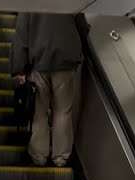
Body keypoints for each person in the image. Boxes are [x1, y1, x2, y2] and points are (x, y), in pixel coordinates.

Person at [10, 13, 83, 168]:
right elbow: (81, 25)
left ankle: (39, 156)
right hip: (65, 62)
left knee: (39, 112)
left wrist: (20, 69)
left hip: (39, 62)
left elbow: (22, 34)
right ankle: (61, 158)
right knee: (63, 111)